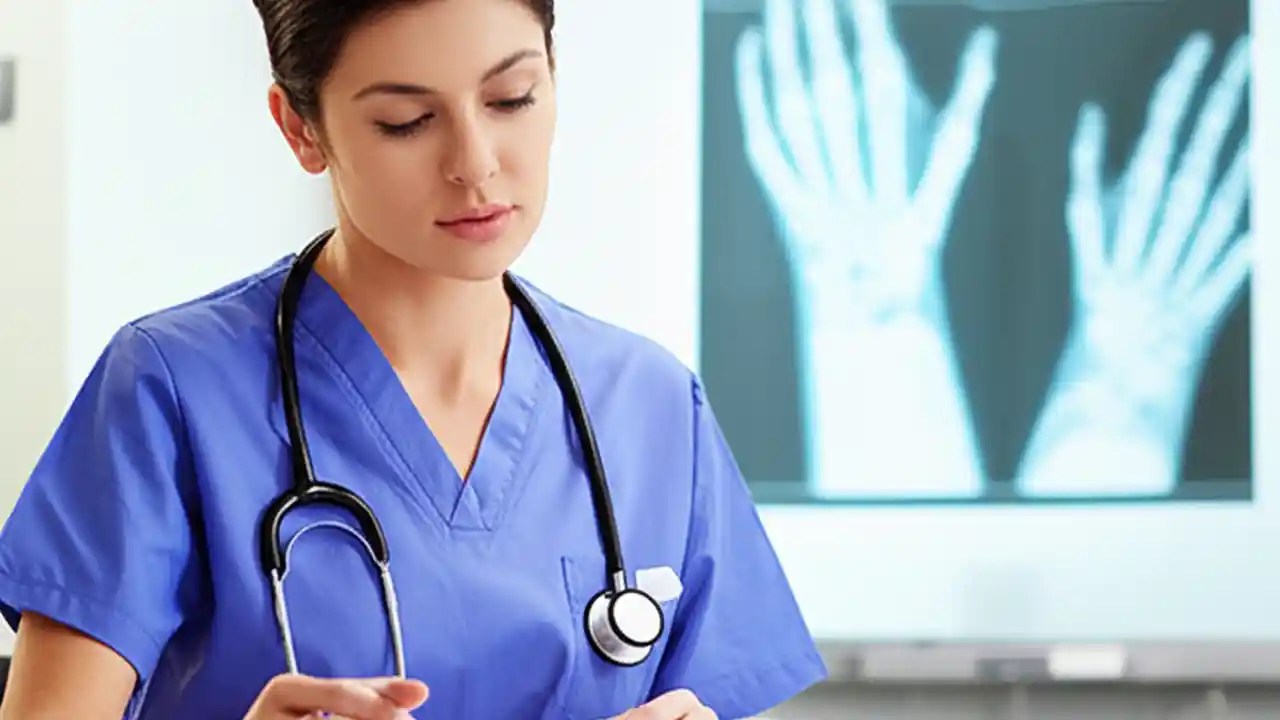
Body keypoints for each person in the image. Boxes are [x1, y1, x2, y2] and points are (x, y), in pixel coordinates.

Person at [0, 0, 827, 718]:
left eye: (512, 98)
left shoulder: (648, 406)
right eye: (406, 121)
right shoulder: (169, 390)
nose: (476, 163)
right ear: (300, 127)